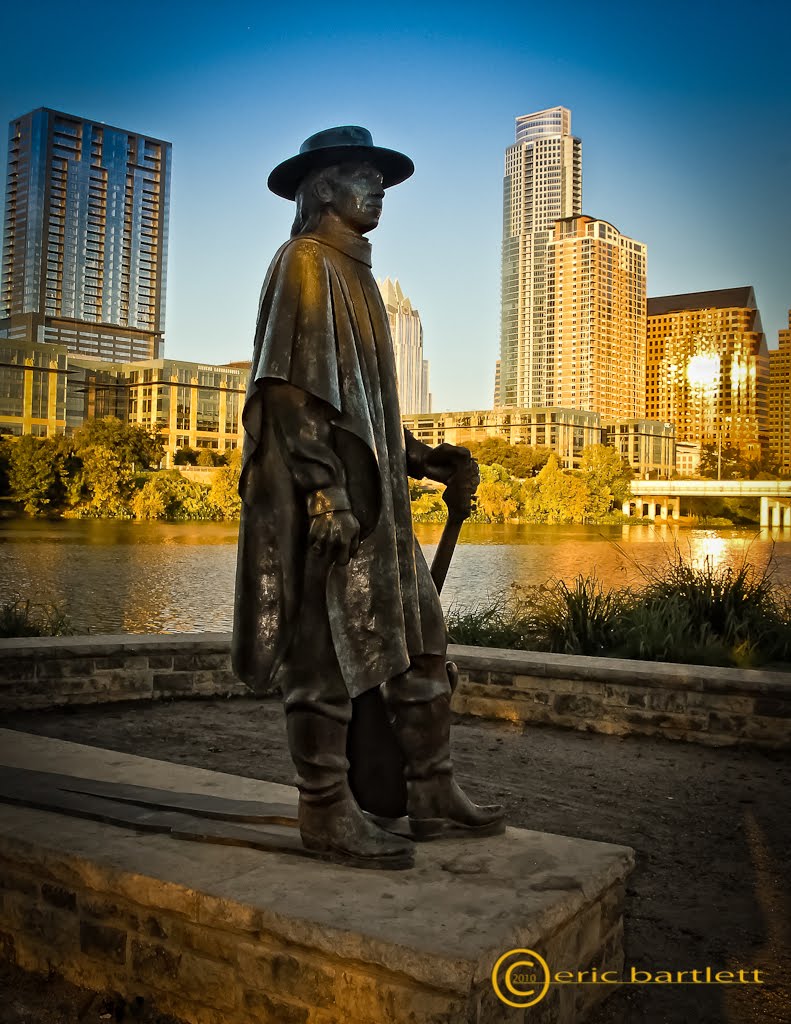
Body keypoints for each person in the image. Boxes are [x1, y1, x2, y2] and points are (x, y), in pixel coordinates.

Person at [233, 126, 504, 869]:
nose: (377, 188)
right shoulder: (305, 265)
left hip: (377, 510)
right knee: (322, 659)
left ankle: (431, 793)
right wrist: (323, 493)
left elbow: (362, 410)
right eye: (362, 175)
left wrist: (420, 458)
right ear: (321, 189)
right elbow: (288, 393)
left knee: (422, 650)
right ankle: (324, 810)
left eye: (378, 178)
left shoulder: (358, 277)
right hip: (330, 510)